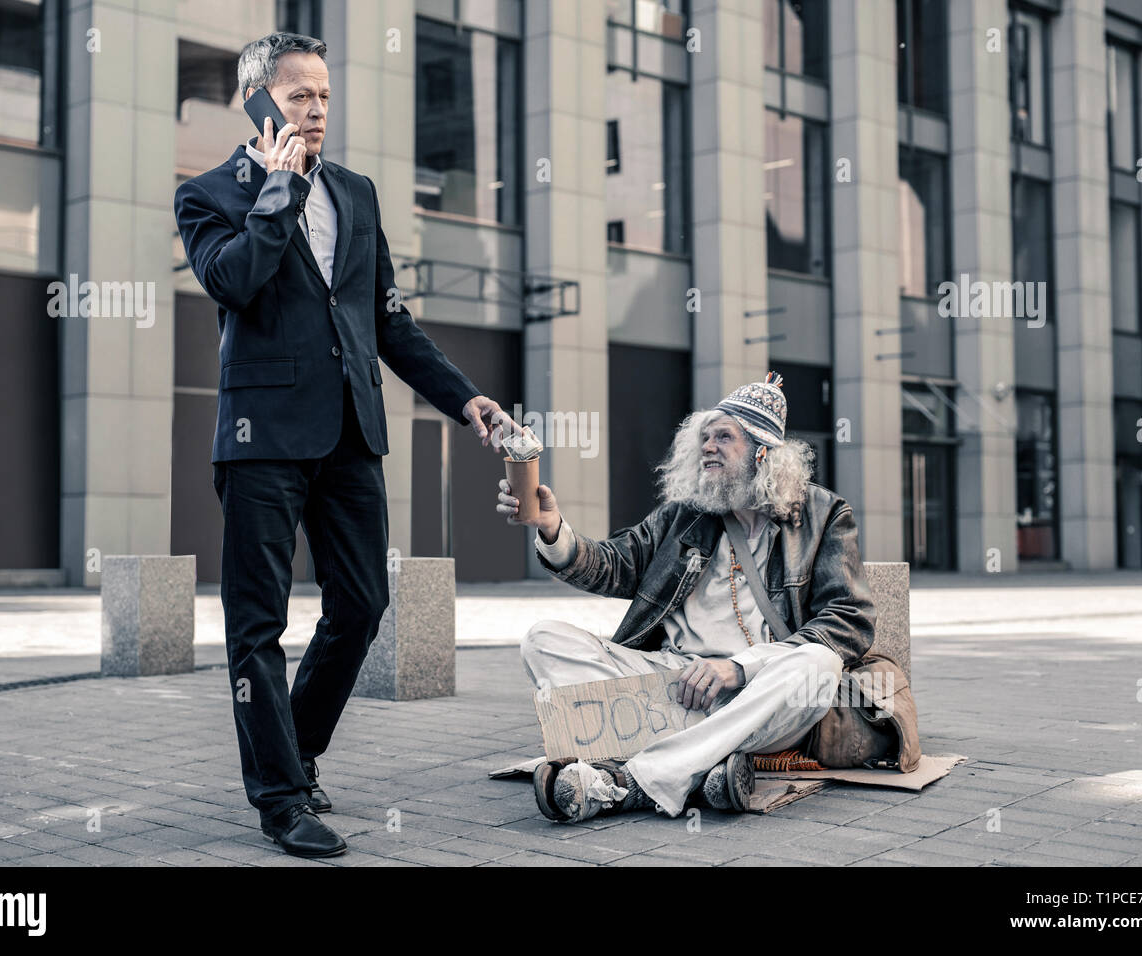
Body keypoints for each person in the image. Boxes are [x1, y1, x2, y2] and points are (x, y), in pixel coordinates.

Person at [175, 32, 516, 858]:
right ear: (259, 102)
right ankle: (281, 799)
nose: (318, 110)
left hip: (352, 435)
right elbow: (233, 282)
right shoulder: (209, 194)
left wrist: (462, 396)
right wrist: (277, 190)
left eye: (324, 95)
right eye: (299, 97)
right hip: (260, 442)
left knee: (362, 604)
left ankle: (294, 747)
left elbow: (387, 321)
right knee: (255, 623)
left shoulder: (357, 195)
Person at [495, 373, 877, 822]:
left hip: (758, 693)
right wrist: (552, 529)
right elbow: (615, 565)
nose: (707, 447)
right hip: (672, 687)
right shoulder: (684, 514)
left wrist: (738, 669)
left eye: (723, 437)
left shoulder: (824, 514)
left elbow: (850, 619)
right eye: (704, 438)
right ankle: (703, 768)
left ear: (762, 453)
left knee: (818, 664)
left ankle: (629, 781)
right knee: (543, 640)